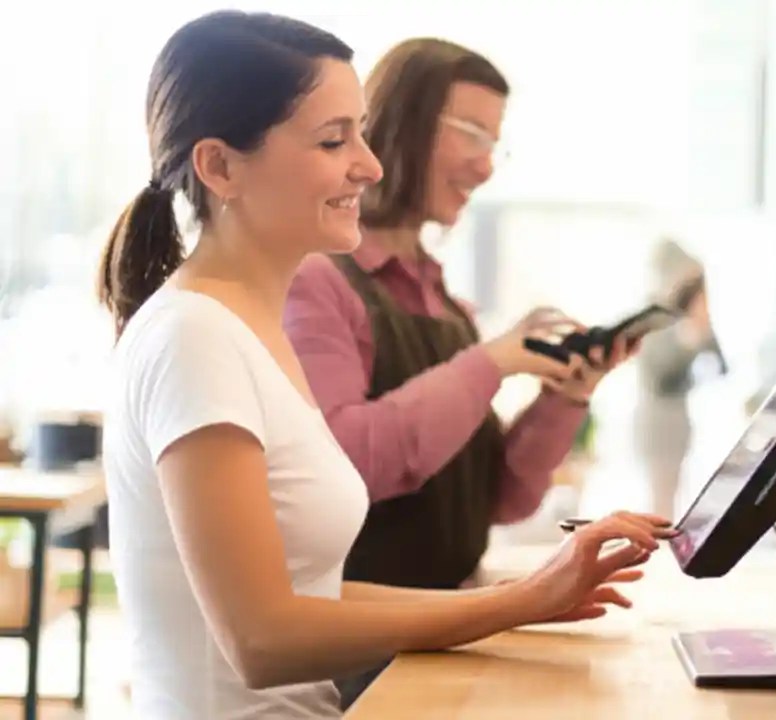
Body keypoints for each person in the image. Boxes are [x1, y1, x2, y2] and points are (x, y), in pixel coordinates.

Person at [98, 12, 671, 718]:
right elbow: (261, 638)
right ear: (220, 166)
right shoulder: (194, 337)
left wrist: (523, 598)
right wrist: (519, 601)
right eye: (334, 139)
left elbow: (312, 590)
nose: (368, 165)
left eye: (362, 132)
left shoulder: (245, 328)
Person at [281, 37, 640, 705]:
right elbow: (349, 464)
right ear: (400, 120)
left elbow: (500, 497)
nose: (485, 167)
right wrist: (492, 362)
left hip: (447, 631)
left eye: (494, 143)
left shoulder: (444, 300)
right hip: (358, 653)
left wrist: (566, 397)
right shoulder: (317, 283)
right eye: (472, 133)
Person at [634, 239, 727, 519]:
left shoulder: (688, 322)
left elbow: (720, 365)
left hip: (678, 419)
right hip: (657, 419)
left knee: (672, 498)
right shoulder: (654, 315)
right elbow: (659, 376)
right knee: (661, 501)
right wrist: (687, 341)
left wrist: (703, 323)